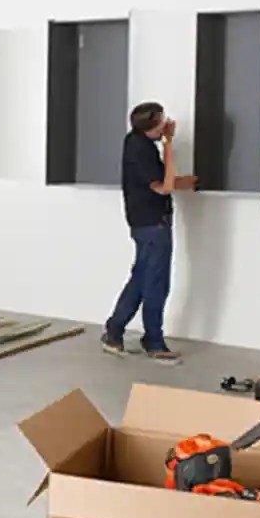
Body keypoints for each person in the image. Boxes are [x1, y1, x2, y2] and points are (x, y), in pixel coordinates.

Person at [101, 102, 197, 365]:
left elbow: (158, 182)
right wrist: (169, 143)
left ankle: (114, 331)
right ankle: (153, 341)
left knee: (141, 279)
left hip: (144, 222)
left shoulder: (134, 142)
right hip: (153, 224)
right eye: (162, 122)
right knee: (156, 283)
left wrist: (186, 182)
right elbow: (164, 187)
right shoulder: (143, 149)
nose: (166, 125)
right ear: (152, 127)